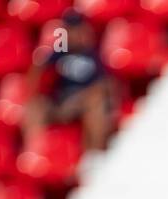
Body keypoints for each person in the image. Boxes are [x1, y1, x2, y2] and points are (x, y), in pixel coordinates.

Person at [25, 9, 114, 153]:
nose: (75, 35)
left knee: (96, 101)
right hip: (63, 101)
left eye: (78, 30)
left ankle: (93, 153)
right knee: (35, 107)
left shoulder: (94, 53)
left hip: (85, 100)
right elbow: (38, 69)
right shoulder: (60, 52)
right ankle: (36, 151)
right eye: (70, 31)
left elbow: (107, 82)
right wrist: (37, 90)